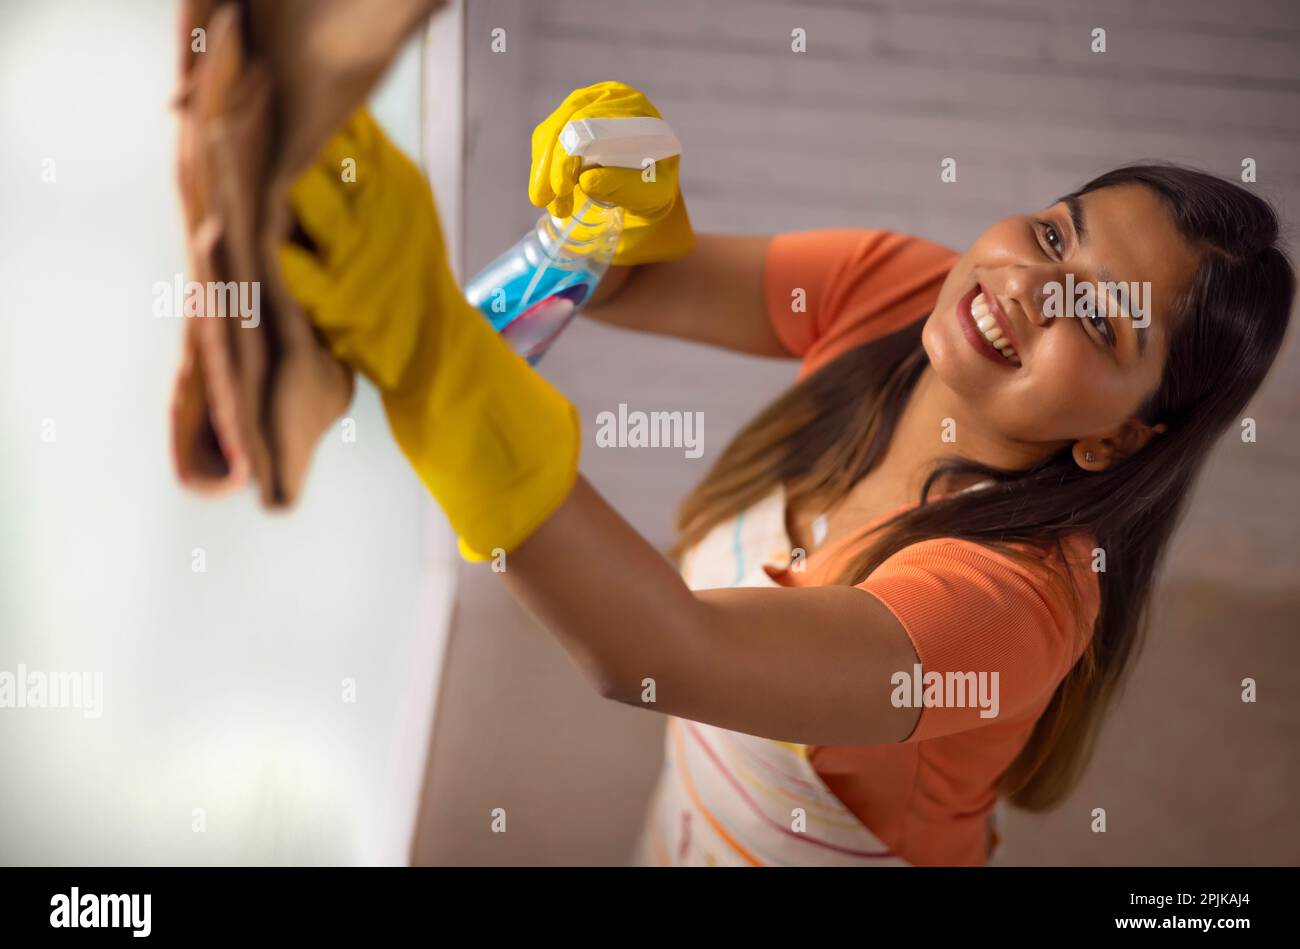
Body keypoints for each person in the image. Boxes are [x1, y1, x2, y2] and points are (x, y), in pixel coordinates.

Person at [278, 82, 1295, 866]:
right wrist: (611, 198)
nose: (1029, 286)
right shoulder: (904, 292)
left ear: (1120, 439)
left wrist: (433, 367)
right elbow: (635, 285)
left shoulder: (1008, 608)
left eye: (1100, 318)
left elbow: (658, 654)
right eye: (1051, 234)